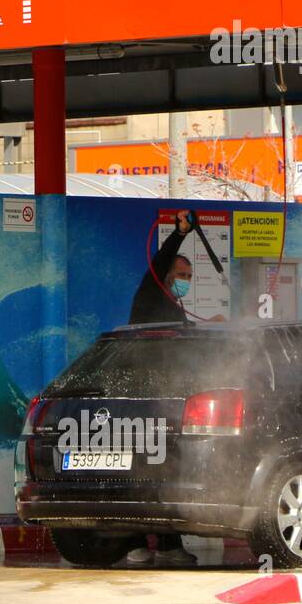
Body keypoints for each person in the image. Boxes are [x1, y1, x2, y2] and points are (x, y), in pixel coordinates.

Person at [122, 209, 198, 567]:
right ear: (165, 276)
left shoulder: (175, 307)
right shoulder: (151, 294)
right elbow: (161, 259)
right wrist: (180, 233)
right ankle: (135, 541)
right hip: (142, 398)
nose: (185, 280)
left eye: (189, 276)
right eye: (180, 275)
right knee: (140, 470)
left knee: (163, 471)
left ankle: (168, 543)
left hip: (167, 400)